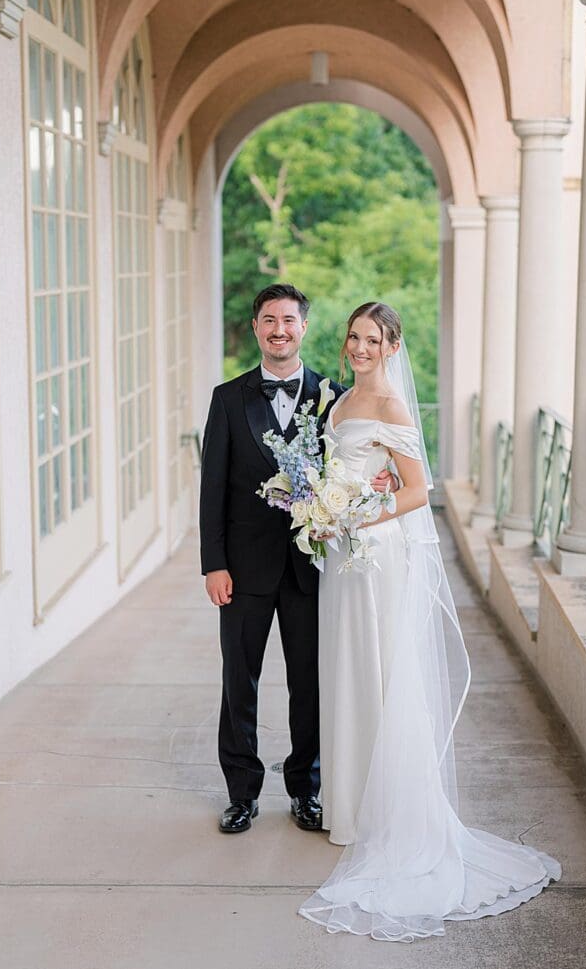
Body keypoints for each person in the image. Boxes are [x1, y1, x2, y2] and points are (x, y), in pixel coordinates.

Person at [298, 301, 559, 941]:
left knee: (382, 671)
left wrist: (355, 515)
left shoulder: (390, 406)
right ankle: (351, 809)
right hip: (340, 556)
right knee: (346, 670)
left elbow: (417, 490)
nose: (360, 348)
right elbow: (340, 472)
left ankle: (388, 814)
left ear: (392, 347)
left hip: (375, 553)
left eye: (373, 340)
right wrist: (319, 509)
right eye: (354, 337)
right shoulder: (338, 403)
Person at [199, 284, 385, 835]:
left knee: (311, 685)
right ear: (256, 327)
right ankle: (241, 793)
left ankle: (307, 790)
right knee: (240, 682)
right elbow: (211, 489)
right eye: (268, 320)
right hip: (242, 570)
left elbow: (357, 465)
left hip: (312, 568)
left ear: (304, 327)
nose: (279, 330)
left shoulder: (333, 398)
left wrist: (379, 482)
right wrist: (214, 564)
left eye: (289, 321)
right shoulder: (227, 398)